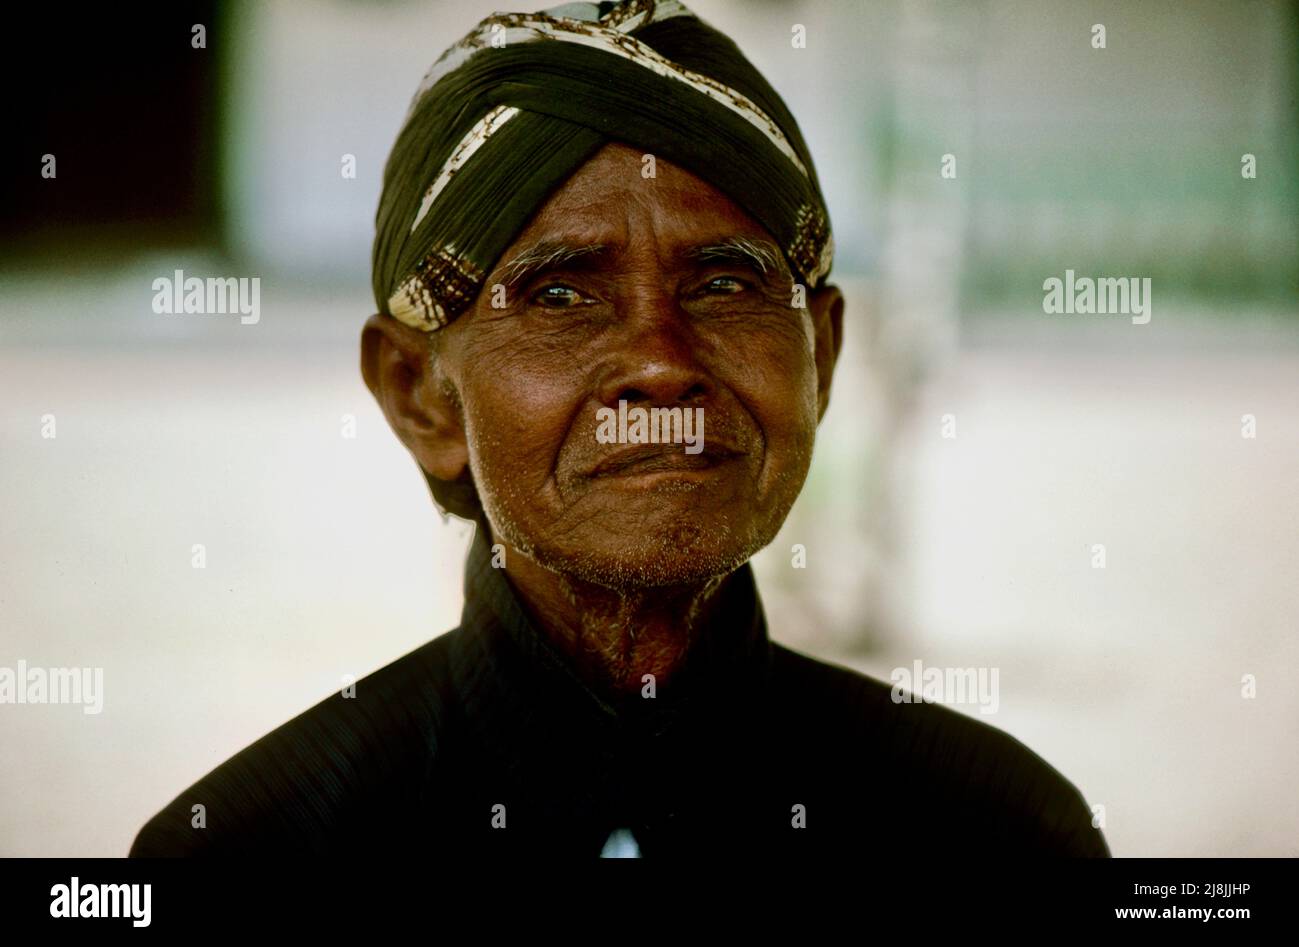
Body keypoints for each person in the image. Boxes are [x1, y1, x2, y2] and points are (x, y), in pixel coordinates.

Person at [130, 0, 1109, 857]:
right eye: (560, 293)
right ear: (420, 394)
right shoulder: (255, 850)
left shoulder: (997, 833)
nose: (659, 359)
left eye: (724, 283)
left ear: (822, 356)